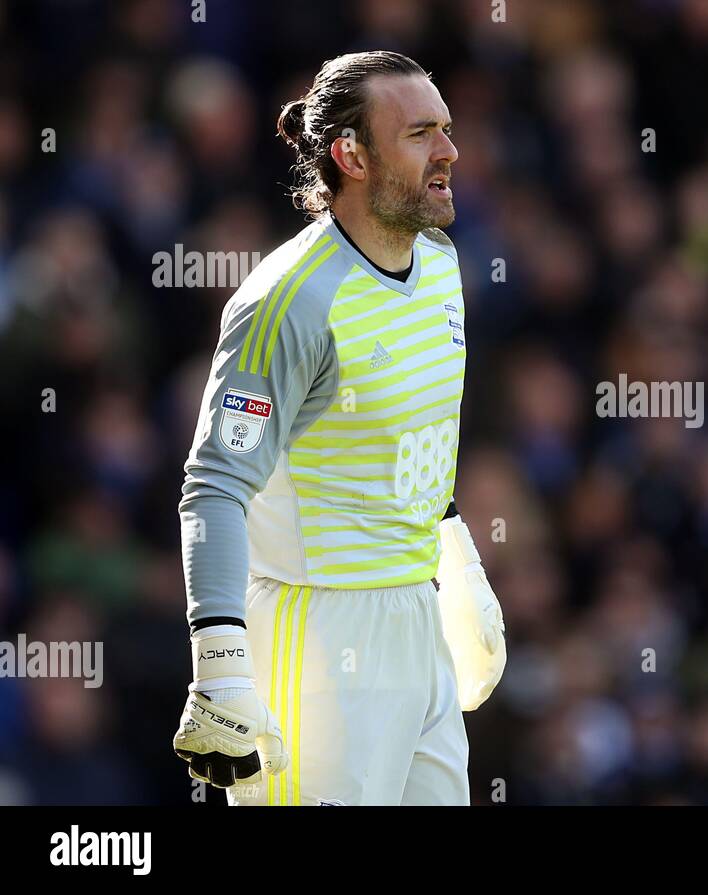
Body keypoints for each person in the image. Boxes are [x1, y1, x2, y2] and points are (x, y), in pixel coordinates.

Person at [170, 50, 502, 806]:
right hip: (314, 637)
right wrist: (220, 660)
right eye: (420, 133)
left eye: (447, 130)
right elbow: (214, 486)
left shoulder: (442, 265)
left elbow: (402, 446)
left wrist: (455, 559)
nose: (449, 151)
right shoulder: (287, 303)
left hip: (417, 622)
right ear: (350, 155)